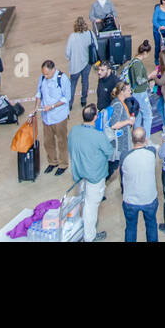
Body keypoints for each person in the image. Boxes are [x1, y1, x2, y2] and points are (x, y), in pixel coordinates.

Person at [68, 104, 115, 242]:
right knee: (91, 207)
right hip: (95, 176)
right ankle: (90, 236)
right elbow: (109, 152)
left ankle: (86, 229)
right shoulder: (98, 135)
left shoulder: (74, 130)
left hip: (79, 174)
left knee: (84, 201)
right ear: (95, 117)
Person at [120, 126, 159, 242]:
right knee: (152, 225)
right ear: (145, 140)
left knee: (131, 228)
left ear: (131, 140)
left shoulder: (125, 156)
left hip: (130, 200)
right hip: (149, 198)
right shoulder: (151, 152)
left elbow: (122, 175)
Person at [36, 59, 72, 176]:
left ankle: (63, 164)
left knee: (61, 141)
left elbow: (66, 98)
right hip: (46, 118)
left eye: (47, 74)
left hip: (59, 117)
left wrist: (51, 106)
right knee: (48, 142)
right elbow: (39, 93)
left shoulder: (62, 79)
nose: (45, 76)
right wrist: (37, 106)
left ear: (53, 69)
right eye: (44, 74)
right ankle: (52, 162)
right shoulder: (42, 78)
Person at [65, 17, 95, 109]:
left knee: (73, 84)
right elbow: (96, 47)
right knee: (85, 81)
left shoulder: (72, 36)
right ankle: (83, 100)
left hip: (75, 65)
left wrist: (70, 58)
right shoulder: (90, 33)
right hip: (87, 63)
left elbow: (67, 53)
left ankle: (70, 104)